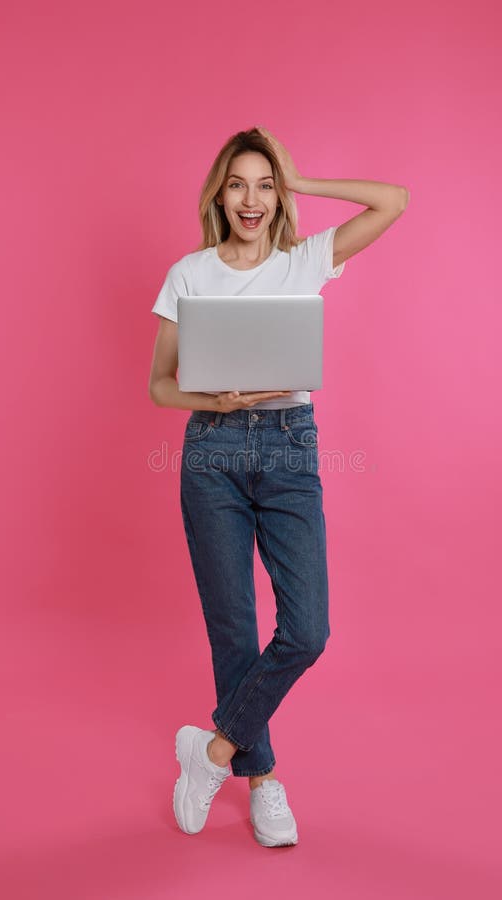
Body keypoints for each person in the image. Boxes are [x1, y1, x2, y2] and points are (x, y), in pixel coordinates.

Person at [148, 126, 409, 847]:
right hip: (212, 450)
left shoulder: (304, 261)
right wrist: (216, 403)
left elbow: (395, 202)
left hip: (290, 446)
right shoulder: (190, 273)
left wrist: (306, 178)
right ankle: (263, 781)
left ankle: (212, 750)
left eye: (266, 184)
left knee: (306, 630)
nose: (252, 200)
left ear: (278, 193)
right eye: (239, 184)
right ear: (219, 194)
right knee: (231, 627)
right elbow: (158, 386)